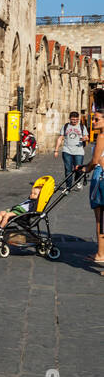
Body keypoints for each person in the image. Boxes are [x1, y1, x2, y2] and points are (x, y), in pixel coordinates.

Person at [88, 112, 104, 267]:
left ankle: (100, 254)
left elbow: (95, 160)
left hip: (101, 177)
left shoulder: (101, 136)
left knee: (100, 218)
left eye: (96, 119)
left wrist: (86, 169)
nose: (93, 121)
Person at [55, 111, 87, 179]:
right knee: (68, 170)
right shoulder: (65, 126)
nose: (75, 121)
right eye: (73, 119)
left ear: (78, 119)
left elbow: (86, 137)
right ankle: (68, 187)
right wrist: (56, 150)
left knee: (78, 169)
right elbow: (60, 138)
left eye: (76, 119)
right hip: (67, 151)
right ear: (69, 118)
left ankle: (77, 181)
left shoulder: (82, 127)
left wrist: (84, 138)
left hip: (79, 151)